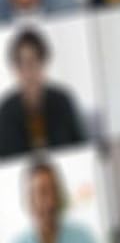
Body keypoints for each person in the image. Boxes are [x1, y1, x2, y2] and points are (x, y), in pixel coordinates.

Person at [3, 156, 104, 243]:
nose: (50, 201)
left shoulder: (84, 240)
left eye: (54, 190)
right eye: (42, 192)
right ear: (29, 201)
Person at [0, 26, 87, 158]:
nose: (27, 73)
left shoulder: (62, 101)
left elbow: (81, 148)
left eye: (31, 63)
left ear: (43, 63)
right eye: (20, 65)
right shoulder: (6, 110)